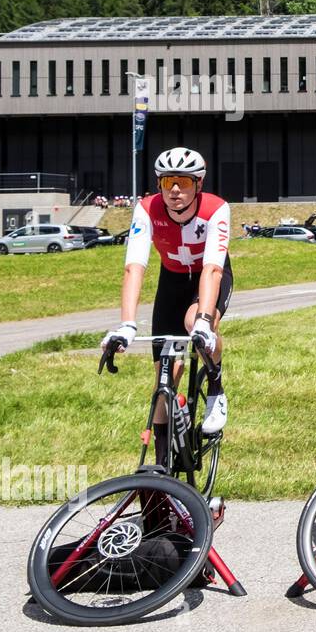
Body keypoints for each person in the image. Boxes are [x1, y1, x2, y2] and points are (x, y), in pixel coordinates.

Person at [101, 147, 232, 441]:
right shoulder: (147, 209)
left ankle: (216, 386)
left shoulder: (216, 208)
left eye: (183, 182)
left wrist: (204, 320)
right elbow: (134, 267)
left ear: (198, 184)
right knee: (164, 377)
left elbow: (213, 269)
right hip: (171, 280)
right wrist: (127, 324)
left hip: (207, 277)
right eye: (167, 182)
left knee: (193, 323)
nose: (174, 190)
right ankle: (160, 471)